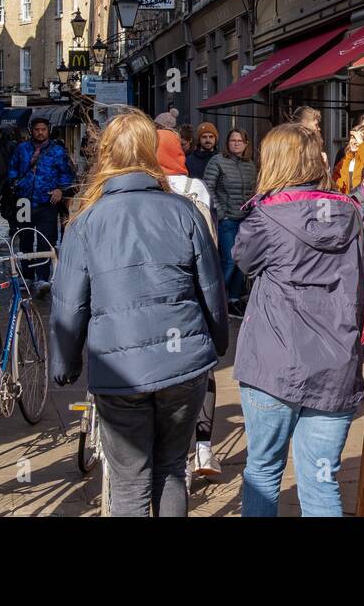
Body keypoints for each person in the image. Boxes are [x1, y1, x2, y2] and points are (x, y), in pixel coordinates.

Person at [50, 111, 227, 517]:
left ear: (105, 156)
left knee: (129, 482)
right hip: (183, 362)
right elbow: (211, 287)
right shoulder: (184, 212)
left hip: (118, 367)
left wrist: (65, 364)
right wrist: (217, 342)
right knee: (170, 471)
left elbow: (69, 303)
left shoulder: (86, 222)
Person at [231, 123, 364, 517]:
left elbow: (243, 260)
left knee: (262, 471)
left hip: (273, 362)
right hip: (335, 364)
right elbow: (362, 279)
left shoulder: (265, 218)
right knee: (321, 479)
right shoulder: (351, 213)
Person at [154, 128, 223, 479]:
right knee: (202, 369)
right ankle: (203, 448)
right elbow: (209, 244)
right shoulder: (194, 188)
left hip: (153, 296)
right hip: (191, 292)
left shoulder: (142, 189)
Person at [7, 117, 76, 287]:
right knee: (25, 240)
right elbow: (12, 168)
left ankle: (43, 279)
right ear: (32, 130)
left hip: (47, 202)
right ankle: (28, 276)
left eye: (43, 129)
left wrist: (61, 189)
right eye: (37, 129)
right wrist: (15, 183)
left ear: (48, 131)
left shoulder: (57, 151)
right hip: (23, 201)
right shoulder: (22, 148)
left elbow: (66, 174)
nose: (40, 132)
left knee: (46, 241)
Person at [203, 128, 258, 313]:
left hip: (246, 219)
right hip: (227, 219)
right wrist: (221, 212)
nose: (236, 143)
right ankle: (216, 300)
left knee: (242, 260)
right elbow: (208, 187)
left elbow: (254, 190)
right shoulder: (218, 161)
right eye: (233, 140)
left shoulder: (250, 164)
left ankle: (233, 299)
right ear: (227, 143)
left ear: (246, 144)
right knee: (229, 260)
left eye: (240, 141)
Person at [332, 125, 364, 195]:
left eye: (358, 139)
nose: (353, 142)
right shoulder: (346, 159)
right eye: (352, 138)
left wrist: (361, 144)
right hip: (347, 201)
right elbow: (336, 180)